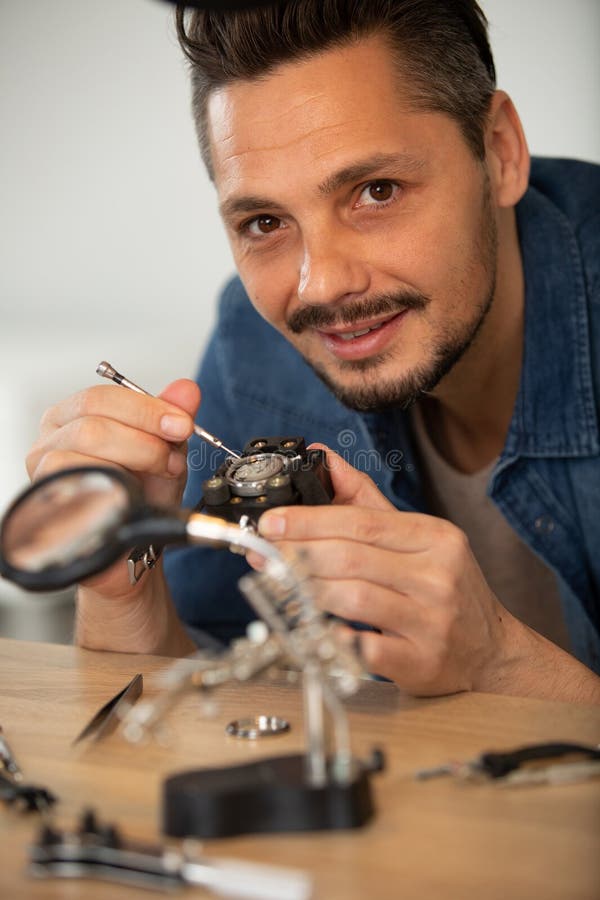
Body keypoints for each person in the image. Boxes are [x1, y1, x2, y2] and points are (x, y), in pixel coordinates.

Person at [26, 0, 600, 703]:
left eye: (376, 191)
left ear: (500, 151)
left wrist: (502, 666)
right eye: (265, 221)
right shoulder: (255, 345)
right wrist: (124, 594)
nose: (320, 284)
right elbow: (218, 694)